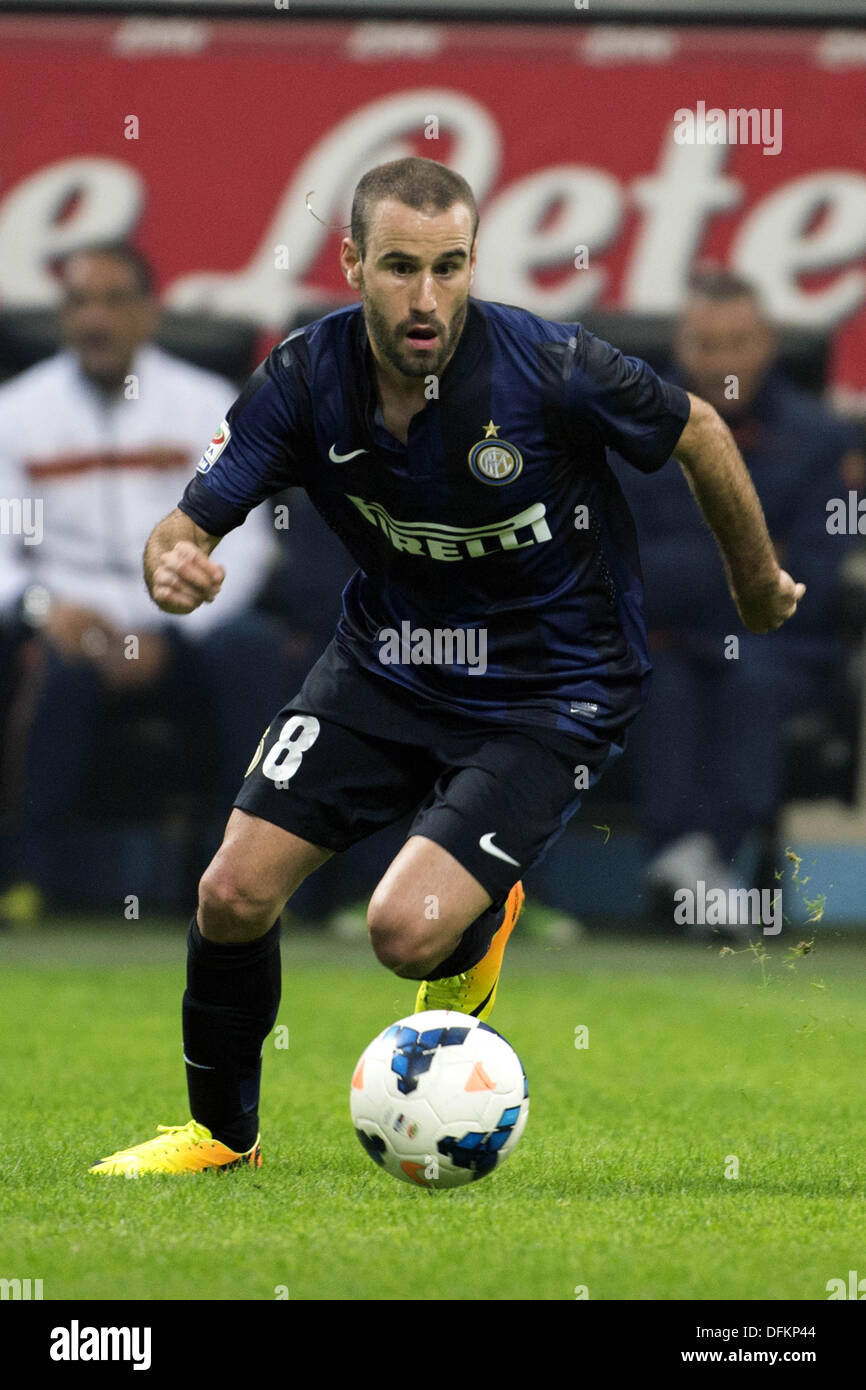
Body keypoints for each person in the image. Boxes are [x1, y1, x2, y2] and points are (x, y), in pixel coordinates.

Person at [89, 157, 803, 1177]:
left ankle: (480, 903)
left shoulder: (548, 367)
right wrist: (170, 558)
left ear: (473, 263)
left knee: (403, 934)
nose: (424, 298)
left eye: (447, 266)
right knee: (230, 895)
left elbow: (695, 428)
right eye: (396, 267)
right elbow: (190, 516)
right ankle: (220, 1136)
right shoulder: (302, 376)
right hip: (384, 665)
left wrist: (757, 580)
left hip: (553, 686)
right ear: (350, 263)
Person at [0, 243, 286, 921]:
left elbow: (249, 543)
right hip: (72, 626)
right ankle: (26, 880)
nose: (94, 319)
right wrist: (43, 608)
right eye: (78, 303)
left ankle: (238, 879)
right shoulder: (17, 411)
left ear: (150, 313)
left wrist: (179, 617)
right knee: (46, 668)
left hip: (188, 620)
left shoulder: (204, 402)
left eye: (113, 301)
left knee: (254, 652)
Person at [609, 267, 864, 913]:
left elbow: (816, 567)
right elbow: (620, 560)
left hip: (773, 645)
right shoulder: (630, 427)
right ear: (681, 348)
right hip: (661, 641)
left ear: (768, 343)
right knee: (661, 688)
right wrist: (749, 557)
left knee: (749, 679)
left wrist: (696, 564)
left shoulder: (820, 438)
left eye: (738, 342)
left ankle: (691, 870)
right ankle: (697, 874)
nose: (723, 361)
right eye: (706, 344)